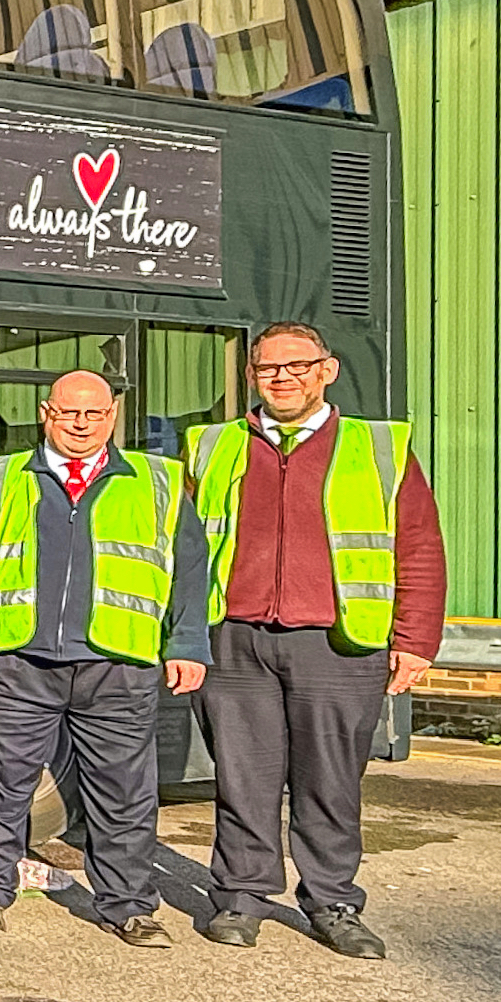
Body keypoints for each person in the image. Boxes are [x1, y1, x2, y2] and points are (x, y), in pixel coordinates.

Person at [186, 321, 447, 958]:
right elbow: (186, 549)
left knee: (330, 781)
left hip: (338, 643)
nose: (283, 378)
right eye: (269, 368)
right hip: (236, 637)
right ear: (251, 375)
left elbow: (417, 544)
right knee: (241, 778)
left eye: (298, 366)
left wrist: (415, 639)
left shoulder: (378, 447)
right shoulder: (214, 446)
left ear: (327, 370)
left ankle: (332, 901)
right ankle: (241, 897)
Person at [0, 369, 210, 947]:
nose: (81, 425)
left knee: (124, 794)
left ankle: (129, 905)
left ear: (112, 416)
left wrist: (187, 643)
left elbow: (191, 568)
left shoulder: (158, 481)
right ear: (46, 412)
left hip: (118, 662)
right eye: (68, 413)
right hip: (17, 661)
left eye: (93, 414)